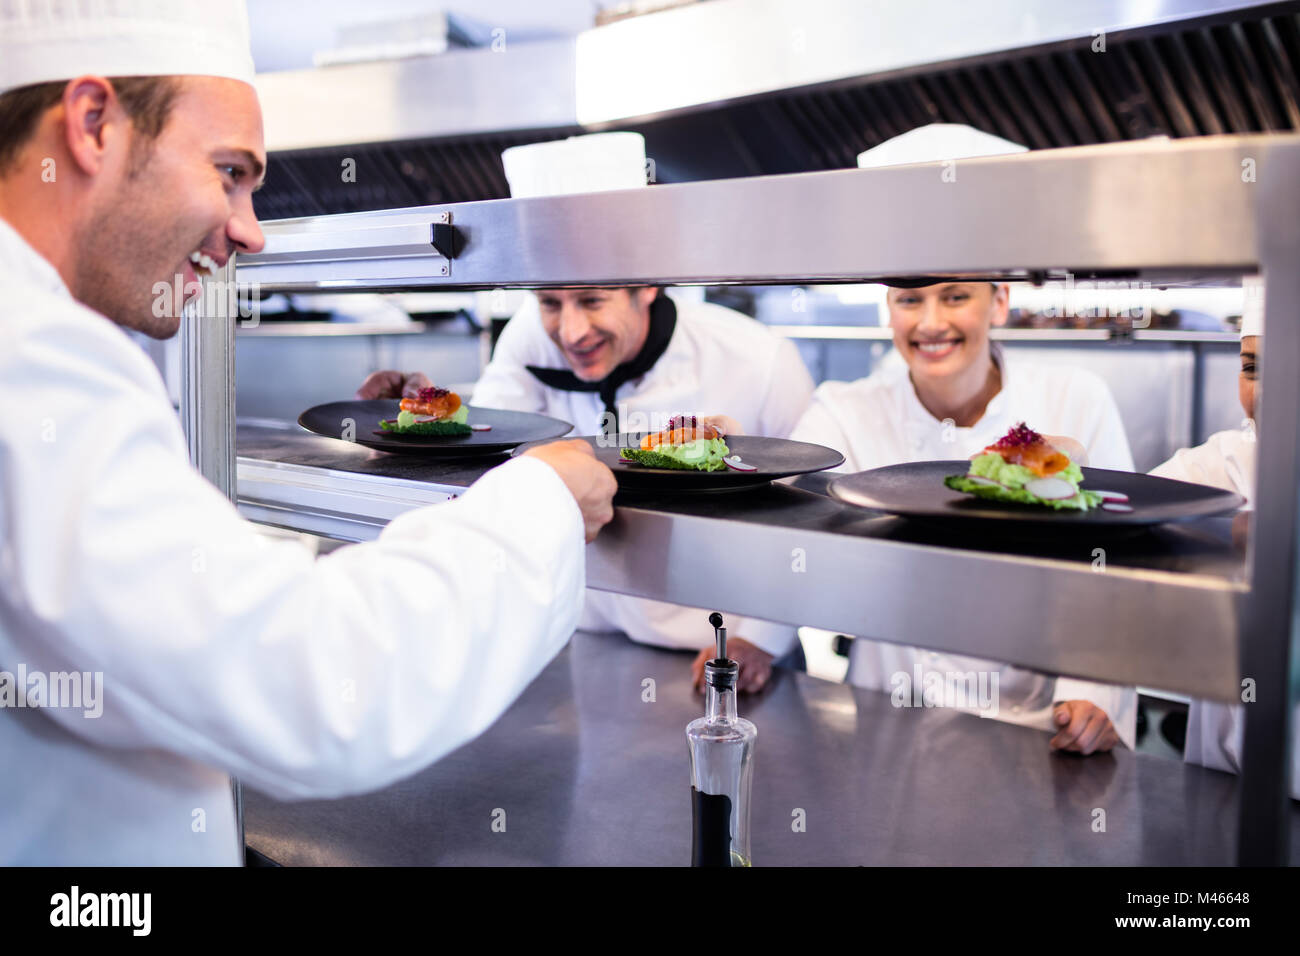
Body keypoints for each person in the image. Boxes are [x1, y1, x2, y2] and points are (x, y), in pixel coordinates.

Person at [0, 0, 617, 865]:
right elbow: (315, 684)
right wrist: (541, 502)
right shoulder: (30, 356)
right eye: (229, 173)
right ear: (94, 124)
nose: (250, 232)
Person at [360, 138, 815, 687]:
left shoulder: (759, 359)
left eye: (593, 300)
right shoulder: (529, 339)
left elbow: (809, 516)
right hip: (588, 646)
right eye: (550, 303)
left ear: (646, 284)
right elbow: (489, 444)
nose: (570, 332)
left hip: (720, 656)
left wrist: (761, 639)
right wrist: (424, 416)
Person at [725, 278, 1138, 753]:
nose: (930, 322)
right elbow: (793, 523)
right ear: (889, 309)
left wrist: (1094, 691)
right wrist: (758, 638)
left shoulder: (1076, 398)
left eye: (956, 297)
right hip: (888, 710)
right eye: (909, 300)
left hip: (1035, 723)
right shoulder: (846, 409)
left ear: (999, 303)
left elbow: (1114, 559)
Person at [1149, 279, 1298, 797]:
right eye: (1253, 367)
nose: (1265, 394)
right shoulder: (1227, 461)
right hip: (1225, 790)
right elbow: (1125, 516)